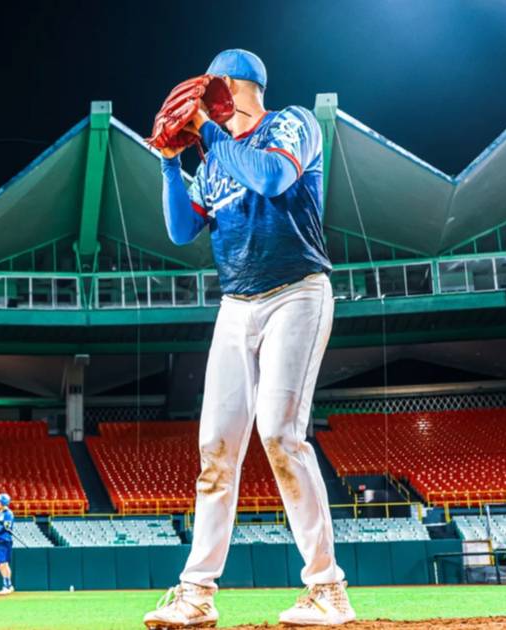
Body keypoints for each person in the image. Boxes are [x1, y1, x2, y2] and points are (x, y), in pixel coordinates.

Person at [144, 49, 354, 628]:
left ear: (235, 85)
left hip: (296, 292)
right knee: (215, 445)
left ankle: (327, 588)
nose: (202, 96)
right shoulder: (212, 159)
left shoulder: (290, 122)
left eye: (212, 85)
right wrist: (168, 162)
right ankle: (196, 592)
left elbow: (271, 176)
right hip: (236, 303)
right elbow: (183, 229)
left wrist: (208, 131)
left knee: (281, 434)